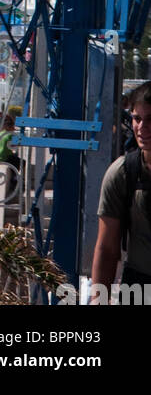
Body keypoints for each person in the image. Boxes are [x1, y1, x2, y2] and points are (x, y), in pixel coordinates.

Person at [92, 81, 151, 296]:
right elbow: (107, 249)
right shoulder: (123, 173)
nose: (142, 127)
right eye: (137, 119)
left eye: (150, 119)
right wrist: (98, 299)